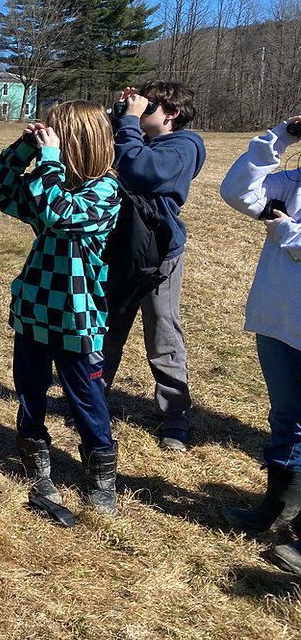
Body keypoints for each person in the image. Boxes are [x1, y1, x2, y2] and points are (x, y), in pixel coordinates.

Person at [0, 101, 121, 516]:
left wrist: (46, 162)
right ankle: (35, 459)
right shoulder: (50, 183)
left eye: (56, 138)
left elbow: (59, 215)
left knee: (86, 396)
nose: (51, 143)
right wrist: (23, 150)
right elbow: (0, 192)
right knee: (30, 389)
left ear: (76, 143)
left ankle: (101, 471)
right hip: (35, 308)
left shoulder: (105, 191)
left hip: (77, 317)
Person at [102, 81, 206, 452]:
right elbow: (103, 151)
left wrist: (130, 124)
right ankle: (93, 396)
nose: (139, 112)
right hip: (121, 248)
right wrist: (121, 115)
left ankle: (175, 414)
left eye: (148, 107)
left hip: (159, 252)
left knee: (162, 332)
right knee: (108, 325)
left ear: (172, 114)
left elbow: (140, 171)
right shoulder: (136, 137)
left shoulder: (183, 147)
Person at [218, 116, 301, 574]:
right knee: (287, 418)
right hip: (280, 318)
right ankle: (278, 508)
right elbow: (238, 193)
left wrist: (289, 232)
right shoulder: (291, 183)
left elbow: (290, 234)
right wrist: (280, 136)